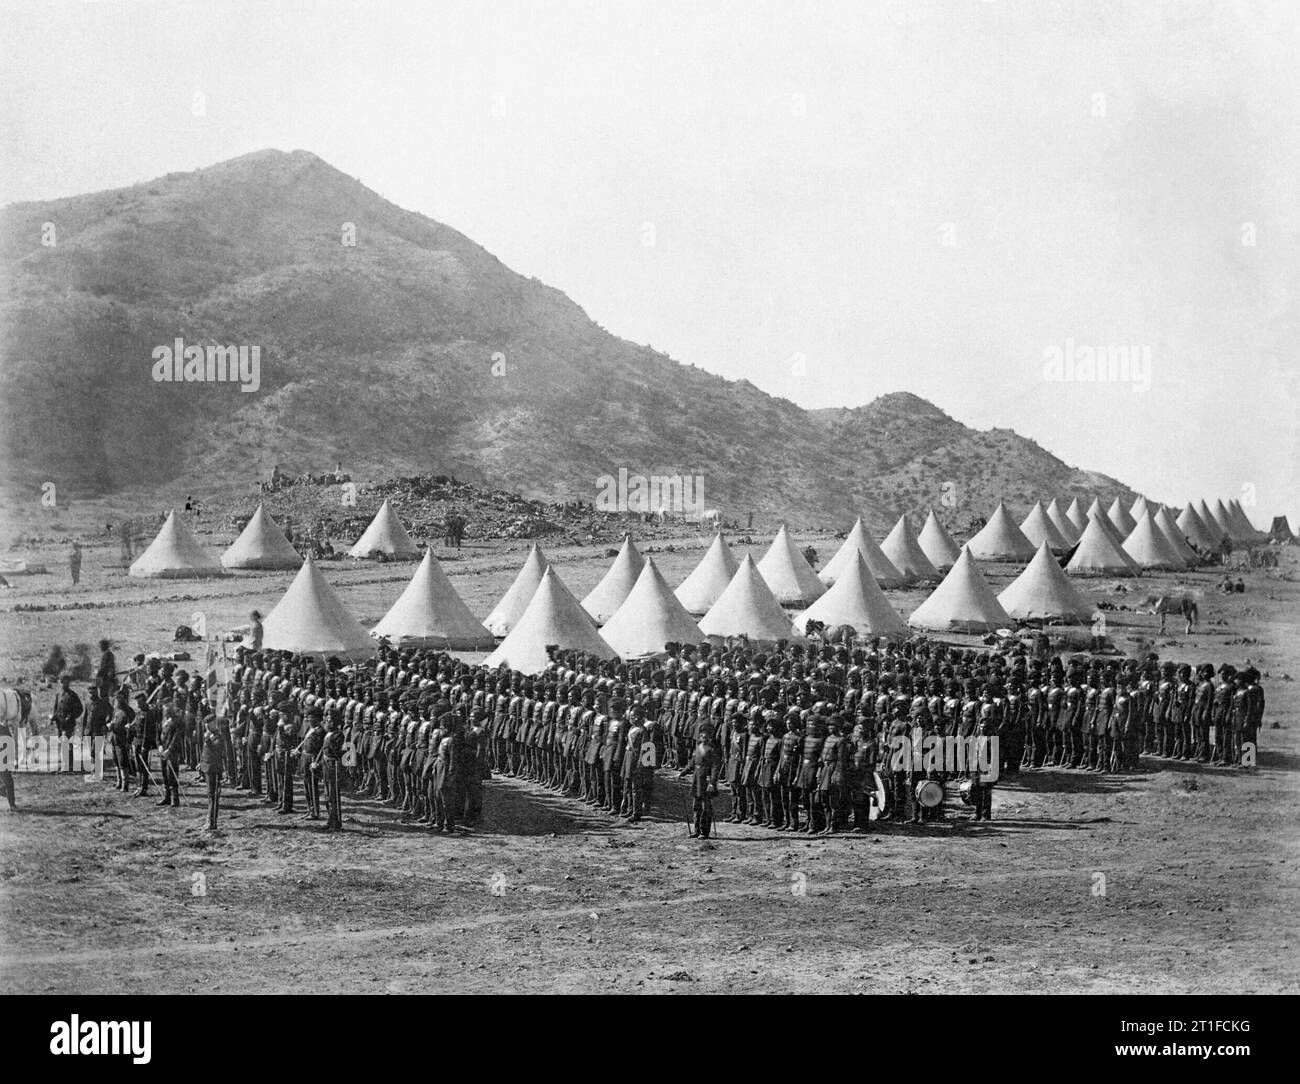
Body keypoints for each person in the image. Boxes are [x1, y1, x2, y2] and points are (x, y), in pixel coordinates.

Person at [51, 675, 83, 773]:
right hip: (60, 724)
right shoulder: (59, 694)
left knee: (68, 744)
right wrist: (53, 717)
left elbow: (80, 709)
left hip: (68, 724)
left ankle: (69, 766)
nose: (63, 684)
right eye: (61, 682)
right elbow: (56, 708)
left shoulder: (72, 695)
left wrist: (72, 716)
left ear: (68, 682)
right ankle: (65, 765)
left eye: (64, 682)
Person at [319, 714, 345, 831]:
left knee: (333, 794)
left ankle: (336, 822)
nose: (326, 722)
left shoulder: (338, 734)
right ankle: (330, 819)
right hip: (326, 763)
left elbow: (338, 751)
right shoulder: (328, 733)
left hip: (333, 766)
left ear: (334, 722)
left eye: (328, 720)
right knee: (327, 794)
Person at [200, 714, 224, 831]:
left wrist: (208, 739)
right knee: (210, 796)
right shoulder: (209, 736)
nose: (208, 727)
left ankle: (212, 823)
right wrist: (201, 762)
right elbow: (205, 752)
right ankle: (209, 820)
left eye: (210, 724)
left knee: (213, 796)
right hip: (207, 768)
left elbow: (216, 752)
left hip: (214, 769)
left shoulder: (218, 736)